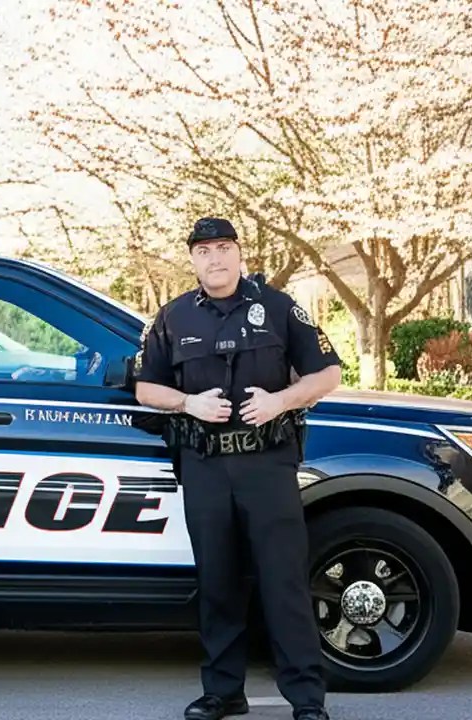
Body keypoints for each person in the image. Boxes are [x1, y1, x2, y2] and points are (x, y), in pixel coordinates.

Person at [133, 217, 341, 720]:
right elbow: (145, 388)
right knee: (217, 581)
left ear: (239, 252)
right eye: (204, 251)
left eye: (223, 247)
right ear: (192, 260)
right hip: (204, 465)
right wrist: (188, 404)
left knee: (283, 581)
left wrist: (281, 402)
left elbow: (329, 372)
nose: (215, 259)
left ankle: (307, 698)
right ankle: (223, 691)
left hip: (266, 463)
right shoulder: (172, 317)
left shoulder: (278, 307)